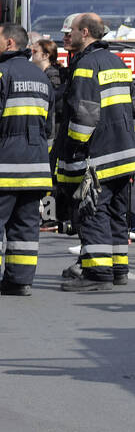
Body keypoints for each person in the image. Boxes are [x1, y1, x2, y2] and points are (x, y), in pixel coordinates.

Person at [54, 13, 135, 292]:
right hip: (123, 153)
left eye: (72, 30)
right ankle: (118, 269)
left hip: (97, 155)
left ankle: (97, 275)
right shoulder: (118, 63)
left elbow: (85, 114)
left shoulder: (87, 65)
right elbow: (134, 111)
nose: (68, 35)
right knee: (116, 212)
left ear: (86, 32)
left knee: (93, 212)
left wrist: (76, 148)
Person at [0, 24, 54, 295]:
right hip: (36, 168)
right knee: (25, 227)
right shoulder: (42, 77)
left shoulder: (2, 73)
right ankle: (20, 281)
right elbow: (50, 128)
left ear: (9, 43)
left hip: (5, 167)